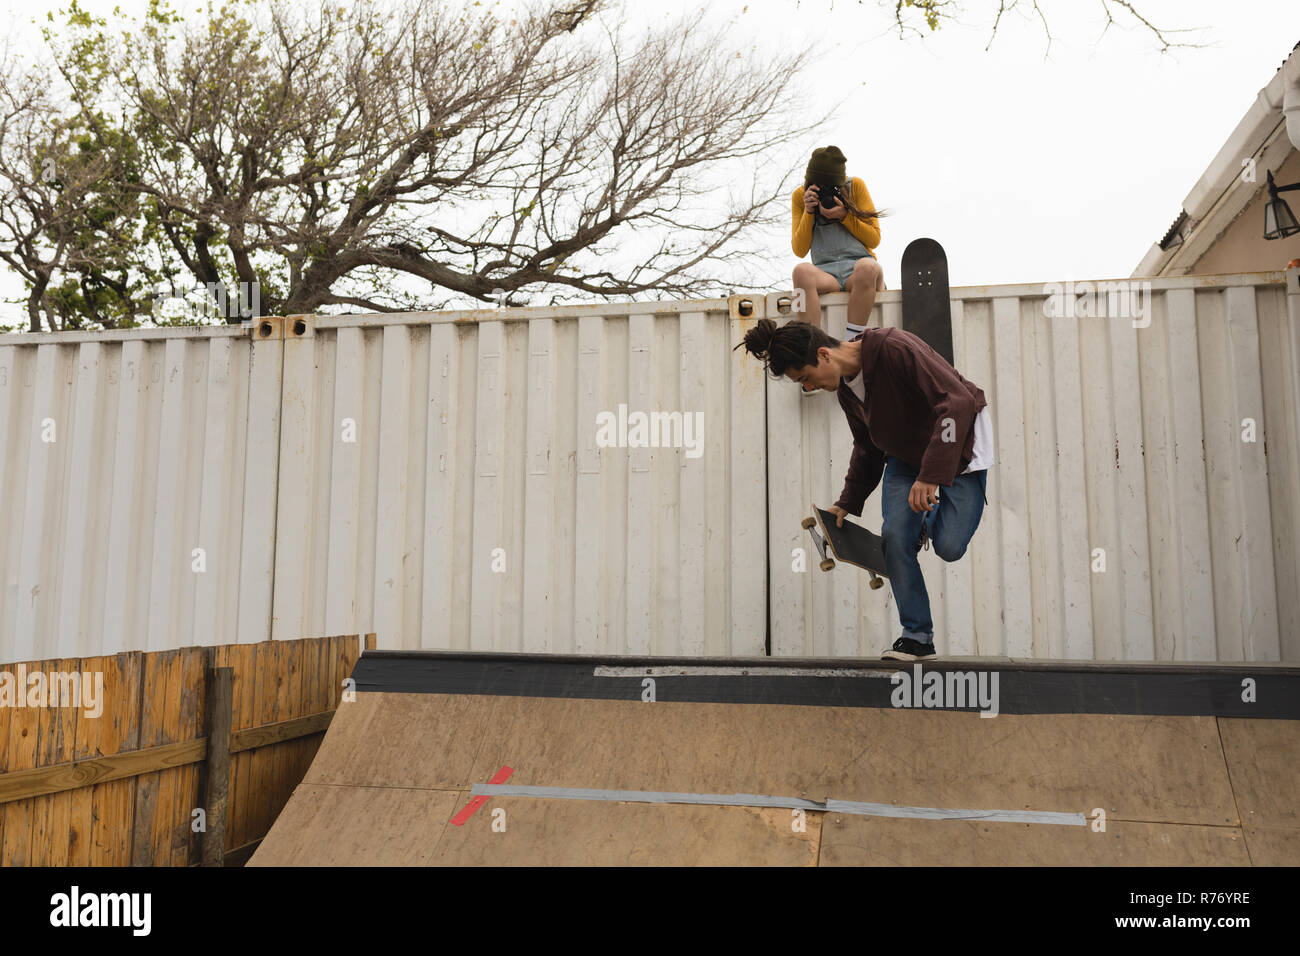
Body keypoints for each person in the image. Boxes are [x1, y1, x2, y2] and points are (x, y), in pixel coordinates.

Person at [738, 318, 993, 661]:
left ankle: (923, 520)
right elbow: (868, 447)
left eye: (806, 378)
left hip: (959, 447)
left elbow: (957, 402)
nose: (809, 388)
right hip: (904, 458)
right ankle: (917, 638)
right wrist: (849, 501)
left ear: (824, 355)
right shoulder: (847, 390)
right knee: (894, 538)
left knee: (949, 545)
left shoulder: (894, 348)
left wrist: (931, 476)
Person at [791, 146, 884, 342]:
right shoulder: (800, 196)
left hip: (859, 270)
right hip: (826, 273)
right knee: (800, 271)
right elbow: (799, 250)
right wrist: (809, 212)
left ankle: (851, 342)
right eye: (819, 186)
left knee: (868, 267)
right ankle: (812, 344)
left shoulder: (855, 186)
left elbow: (874, 240)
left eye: (831, 187)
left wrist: (845, 216)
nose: (826, 192)